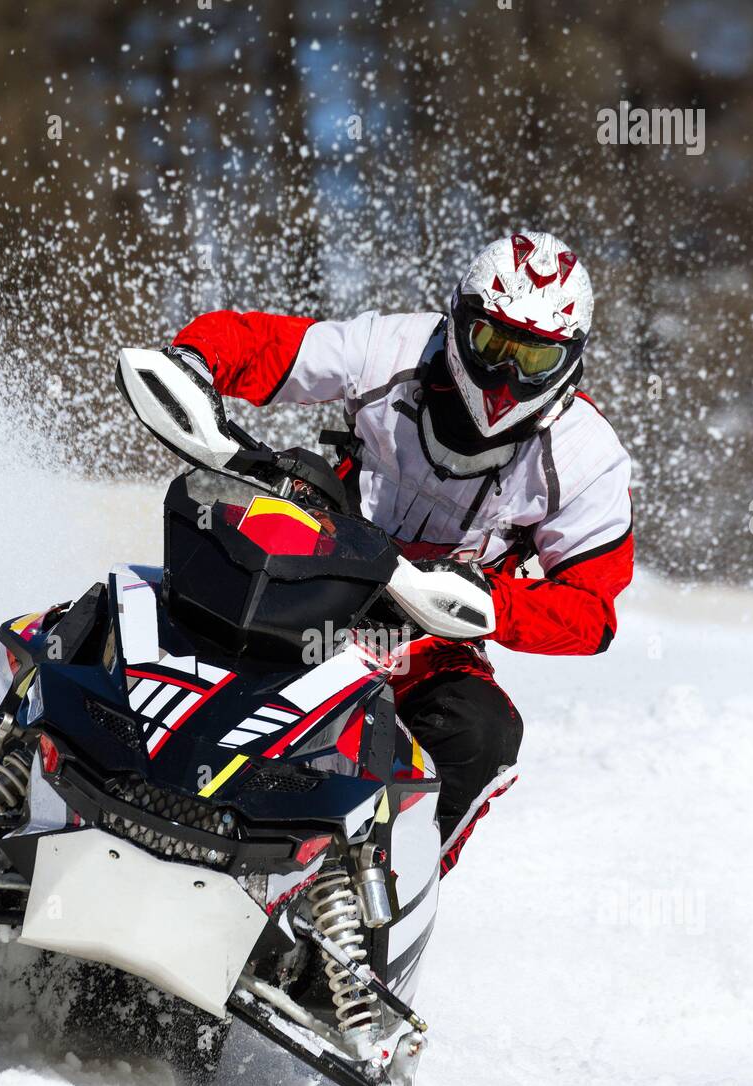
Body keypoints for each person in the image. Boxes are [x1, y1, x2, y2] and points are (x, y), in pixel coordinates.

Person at [170, 230, 634, 875]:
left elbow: (591, 612)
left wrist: (488, 600)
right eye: (491, 344)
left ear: (569, 359)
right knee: (154, 602)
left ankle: (381, 903)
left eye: (532, 359)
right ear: (458, 320)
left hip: (428, 636)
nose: (504, 375)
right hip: (307, 576)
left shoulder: (588, 456)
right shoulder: (394, 346)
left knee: (483, 736)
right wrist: (197, 358)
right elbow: (272, 346)